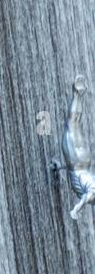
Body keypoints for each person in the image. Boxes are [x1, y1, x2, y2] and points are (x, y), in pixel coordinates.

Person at [50, 76, 95, 220]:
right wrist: (76, 209)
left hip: (83, 163)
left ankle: (78, 96)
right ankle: (76, 93)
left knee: (74, 124)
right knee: (71, 124)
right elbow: (88, 196)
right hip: (77, 162)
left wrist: (60, 168)